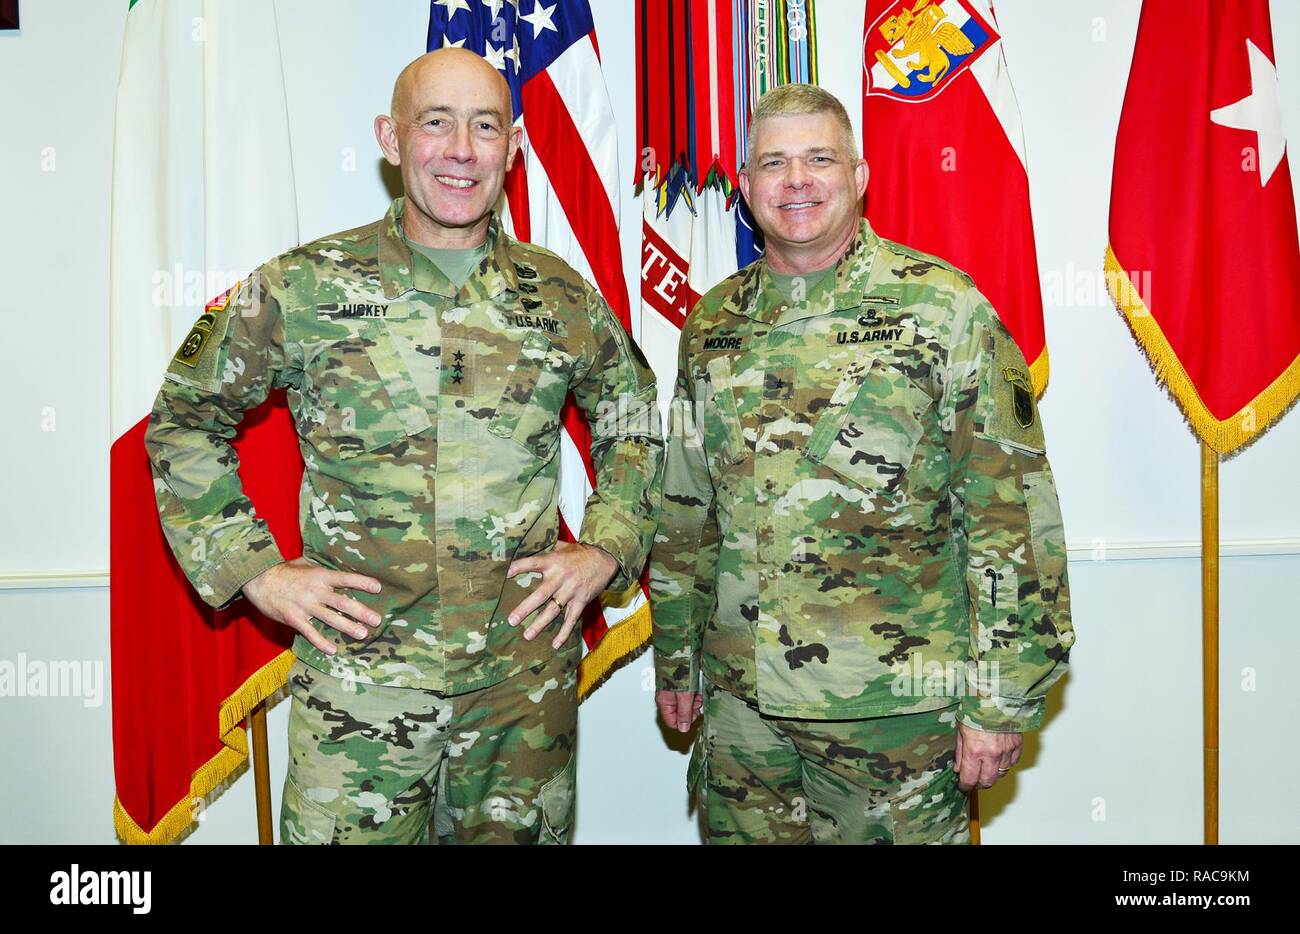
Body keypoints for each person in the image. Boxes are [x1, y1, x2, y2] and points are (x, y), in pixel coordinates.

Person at [144, 48, 662, 844]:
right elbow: (184, 418)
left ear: (513, 147)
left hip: (518, 699)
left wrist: (605, 547)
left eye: (485, 126)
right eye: (436, 122)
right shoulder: (302, 286)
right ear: (391, 137)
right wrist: (252, 570)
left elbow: (634, 415)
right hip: (359, 697)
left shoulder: (560, 296)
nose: (462, 149)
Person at [649, 84, 1074, 844]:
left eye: (819, 159)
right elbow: (687, 508)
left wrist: (1002, 698)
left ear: (860, 173)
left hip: (892, 715)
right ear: (745, 186)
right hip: (743, 715)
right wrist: (677, 659)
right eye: (773, 164)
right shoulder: (712, 323)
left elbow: (1011, 518)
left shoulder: (944, 310)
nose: (797, 181)